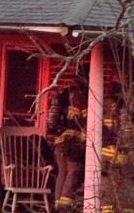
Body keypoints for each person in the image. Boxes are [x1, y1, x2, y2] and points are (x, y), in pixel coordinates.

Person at [47, 80, 87, 212]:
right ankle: (63, 207)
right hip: (69, 145)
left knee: (63, 173)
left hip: (60, 144)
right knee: (71, 172)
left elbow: (53, 126)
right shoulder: (78, 100)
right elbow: (84, 123)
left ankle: (58, 206)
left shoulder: (63, 100)